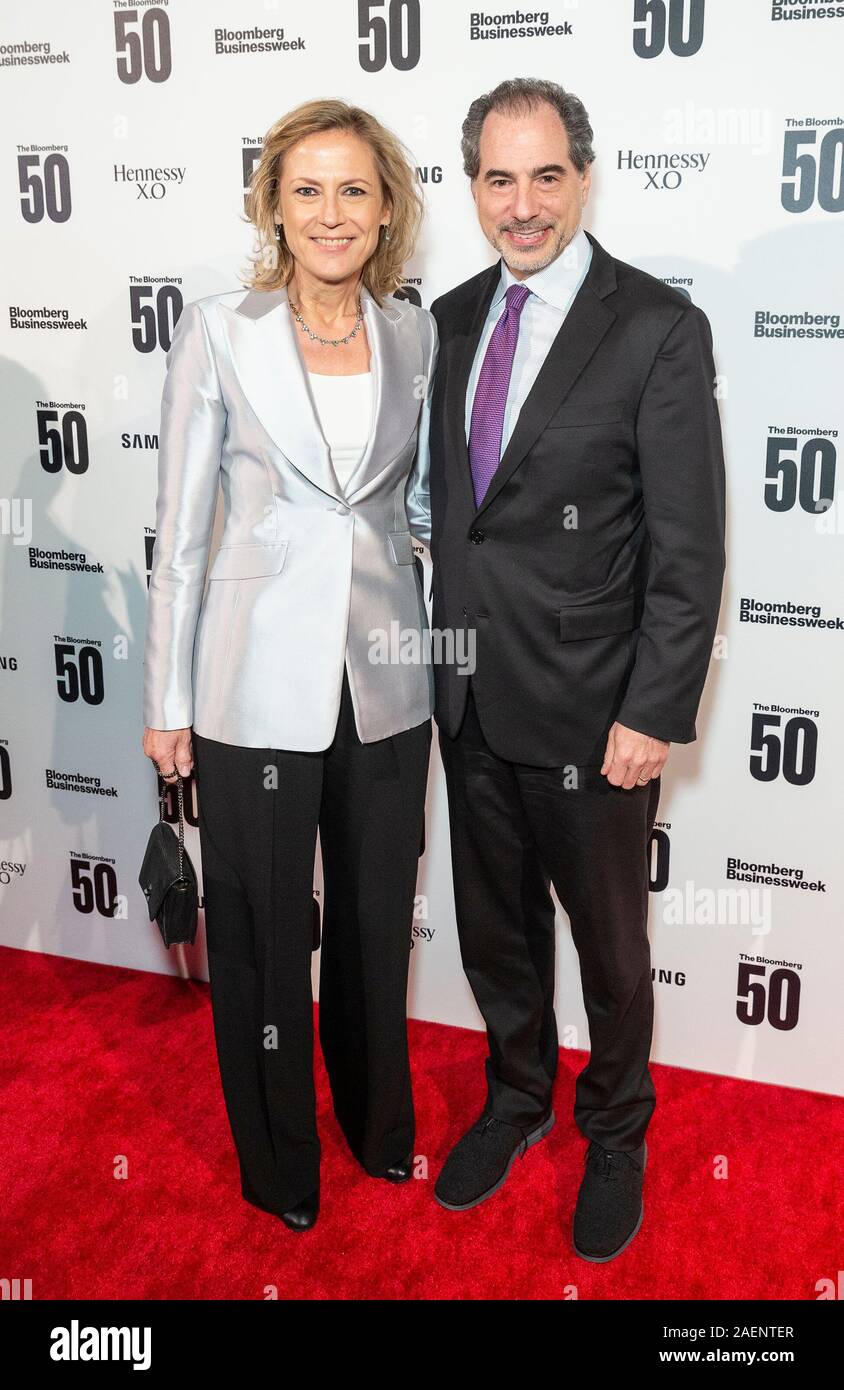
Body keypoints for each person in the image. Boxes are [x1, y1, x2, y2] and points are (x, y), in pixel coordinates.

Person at [412, 78, 726, 1261]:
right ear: (473, 187)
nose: (523, 203)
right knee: (495, 930)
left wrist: (651, 708)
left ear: (583, 177)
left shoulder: (651, 325)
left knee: (608, 946)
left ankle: (617, 1126)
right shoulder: (444, 321)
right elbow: (456, 519)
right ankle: (514, 1098)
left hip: (597, 715)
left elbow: (690, 549)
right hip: (470, 696)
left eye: (546, 175)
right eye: (499, 177)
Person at [141, 99, 437, 1233]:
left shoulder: (413, 333)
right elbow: (180, 529)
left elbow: (409, 506)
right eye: (306, 189)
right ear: (273, 203)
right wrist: (168, 702)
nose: (329, 212)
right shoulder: (220, 329)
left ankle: (377, 1126)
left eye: (353, 189)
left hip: (384, 680)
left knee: (371, 920)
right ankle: (278, 1163)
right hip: (251, 685)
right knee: (263, 936)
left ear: (385, 209)